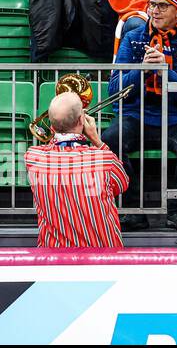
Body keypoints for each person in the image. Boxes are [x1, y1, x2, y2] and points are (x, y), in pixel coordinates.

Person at [102, 0, 177, 232]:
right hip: (135, 116)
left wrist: (166, 73)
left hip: (175, 119)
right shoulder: (132, 39)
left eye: (162, 6)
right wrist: (142, 71)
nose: (154, 11)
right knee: (110, 139)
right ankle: (132, 210)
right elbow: (115, 89)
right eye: (152, 5)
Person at [25, 90, 129, 247]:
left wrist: (58, 128)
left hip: (54, 256)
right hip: (103, 255)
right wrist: (96, 140)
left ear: (51, 126)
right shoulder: (105, 159)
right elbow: (122, 184)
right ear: (82, 119)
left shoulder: (33, 158)